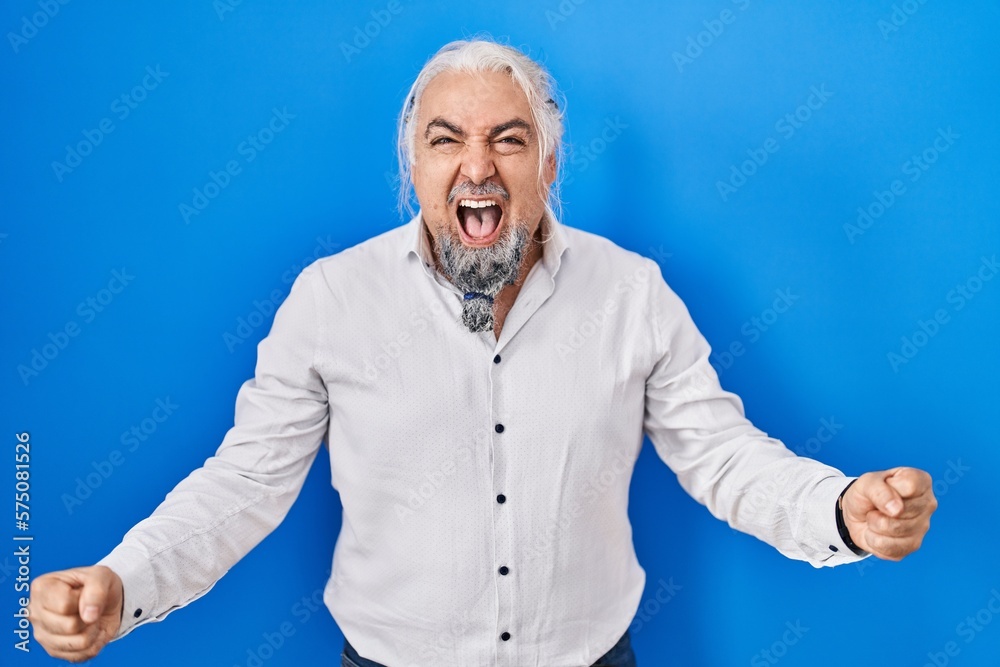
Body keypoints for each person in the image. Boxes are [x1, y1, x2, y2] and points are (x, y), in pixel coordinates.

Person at [29, 38, 937, 667]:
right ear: (412, 170)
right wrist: (124, 581)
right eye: (446, 141)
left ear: (549, 166)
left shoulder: (633, 293)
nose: (478, 165)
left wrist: (844, 509)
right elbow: (244, 485)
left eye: (510, 139)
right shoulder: (332, 299)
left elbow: (723, 456)